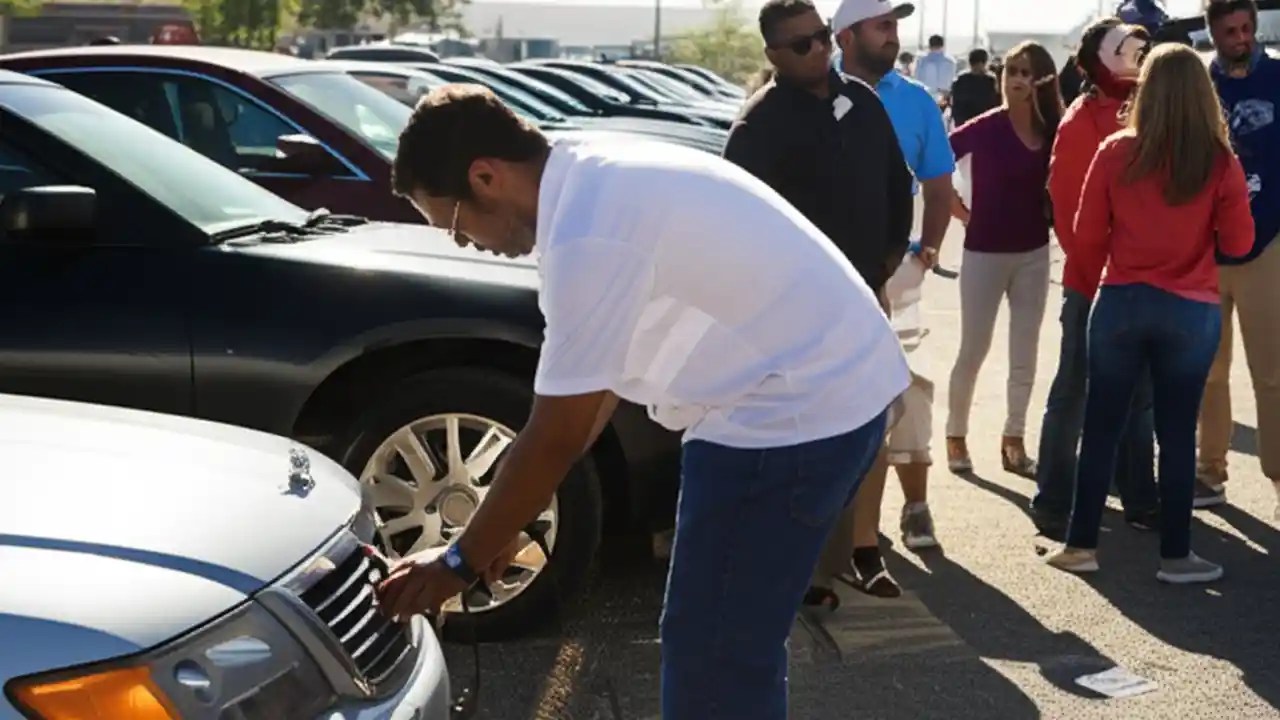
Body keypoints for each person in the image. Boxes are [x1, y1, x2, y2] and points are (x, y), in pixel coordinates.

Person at [376, 83, 910, 719]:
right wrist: (497, 528)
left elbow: (559, 433)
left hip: (791, 415)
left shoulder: (588, 233)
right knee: (727, 647)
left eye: (455, 226)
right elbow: (588, 400)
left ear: (486, 176)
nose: (464, 244)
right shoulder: (586, 169)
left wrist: (461, 558)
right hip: (828, 389)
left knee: (714, 658)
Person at [722, 0, 915, 609]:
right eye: (801, 44)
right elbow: (740, 228)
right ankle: (802, 571)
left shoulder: (863, 103)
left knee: (872, 427)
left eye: (821, 37)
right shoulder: (758, 127)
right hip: (794, 316)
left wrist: (884, 263)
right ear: (773, 55)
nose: (818, 50)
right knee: (804, 440)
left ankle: (863, 550)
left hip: (865, 296)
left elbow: (896, 185)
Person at [1048, 43, 1254, 582]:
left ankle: (1080, 544)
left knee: (1101, 425)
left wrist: (1096, 292)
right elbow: (1238, 241)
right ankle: (1177, 556)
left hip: (1120, 301)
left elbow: (1087, 238)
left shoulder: (1116, 150)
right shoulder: (1218, 159)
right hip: (1190, 308)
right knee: (1177, 431)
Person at [811, 0, 955, 604]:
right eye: (882, 25)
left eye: (897, 25)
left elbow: (938, 185)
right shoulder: (807, 98)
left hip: (893, 274)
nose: (894, 36)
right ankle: (830, 546)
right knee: (828, 409)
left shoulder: (917, 100)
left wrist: (923, 255)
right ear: (846, 35)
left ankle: (890, 526)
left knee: (901, 396)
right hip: (820, 284)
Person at [1033, 18, 1159, 541]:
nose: (1136, 51)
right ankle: (1054, 496)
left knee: (1141, 393)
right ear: (1096, 59)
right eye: (1123, 45)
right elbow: (1070, 210)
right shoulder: (1082, 122)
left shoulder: (1149, 113)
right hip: (1094, 283)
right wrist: (1108, 266)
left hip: (1147, 280)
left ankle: (1138, 494)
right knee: (1075, 390)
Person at [944, 42, 1062, 477]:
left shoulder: (1053, 131)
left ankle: (1014, 439)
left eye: (1027, 72)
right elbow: (934, 161)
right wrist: (960, 212)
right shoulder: (984, 127)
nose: (1016, 78)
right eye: (1011, 70)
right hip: (984, 254)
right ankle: (956, 436)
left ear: (1041, 80)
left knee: (1024, 353)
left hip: (1033, 254)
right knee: (973, 348)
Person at [1198, 0, 1280, 517]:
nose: (1242, 38)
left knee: (1272, 373)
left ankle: (1278, 477)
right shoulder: (1197, 85)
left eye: (1247, 28)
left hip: (1268, 246)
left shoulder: (1277, 78)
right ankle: (1210, 471)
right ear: (1214, 34)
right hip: (1205, 252)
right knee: (1208, 371)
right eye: (1230, 31)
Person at [950, 48, 1000, 127]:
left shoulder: (960, 80)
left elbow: (955, 106)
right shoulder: (990, 81)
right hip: (985, 125)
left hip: (964, 126)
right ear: (983, 63)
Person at [915, 34, 957, 102]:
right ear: (943, 45)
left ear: (929, 45)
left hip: (925, 96)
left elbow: (917, 79)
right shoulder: (950, 62)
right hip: (943, 97)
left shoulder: (921, 61)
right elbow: (950, 80)